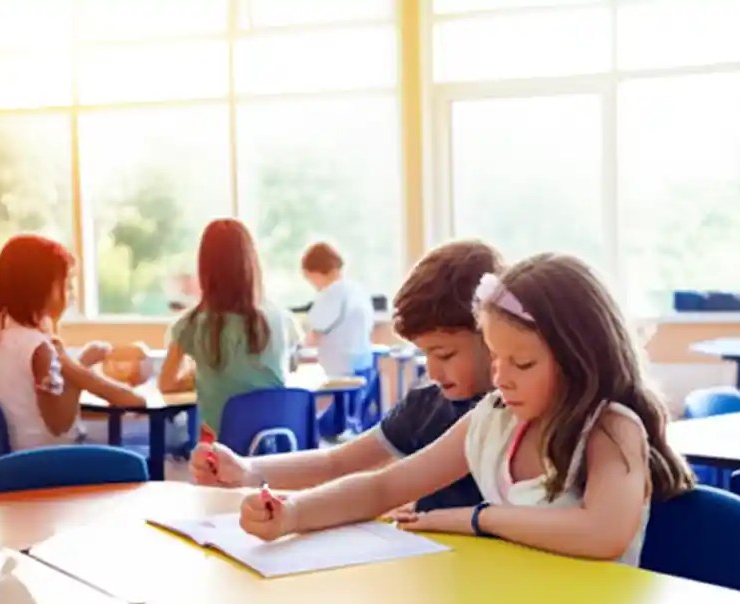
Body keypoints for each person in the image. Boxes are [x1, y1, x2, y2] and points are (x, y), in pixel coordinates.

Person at [231, 253, 694, 604]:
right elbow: (383, 488)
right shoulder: (493, 420)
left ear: (579, 358)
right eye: (496, 357)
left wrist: (477, 519)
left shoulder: (611, 429)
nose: (502, 378)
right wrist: (293, 514)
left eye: (523, 363)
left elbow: (602, 533)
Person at [191, 240, 502, 513]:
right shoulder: (427, 404)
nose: (432, 371)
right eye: (425, 354)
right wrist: (247, 469)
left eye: (445, 355)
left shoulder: (511, 413)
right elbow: (336, 463)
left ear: (494, 338)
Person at [0, 235, 143, 450]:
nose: (71, 295)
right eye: (67, 285)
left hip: (19, 456)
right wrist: (79, 366)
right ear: (40, 287)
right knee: (132, 456)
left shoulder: (5, 336)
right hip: (47, 459)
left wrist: (73, 366)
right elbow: (59, 425)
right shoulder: (40, 349)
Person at [159, 219, 293, 437]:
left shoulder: (192, 323)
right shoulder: (280, 317)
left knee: (180, 436)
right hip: (280, 441)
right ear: (252, 263)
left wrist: (200, 377)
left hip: (222, 445)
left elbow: (166, 383)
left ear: (205, 269)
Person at [301, 241, 373, 378]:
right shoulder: (356, 290)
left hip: (340, 370)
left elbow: (314, 336)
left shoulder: (333, 293)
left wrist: (296, 350)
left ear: (315, 273)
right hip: (362, 366)